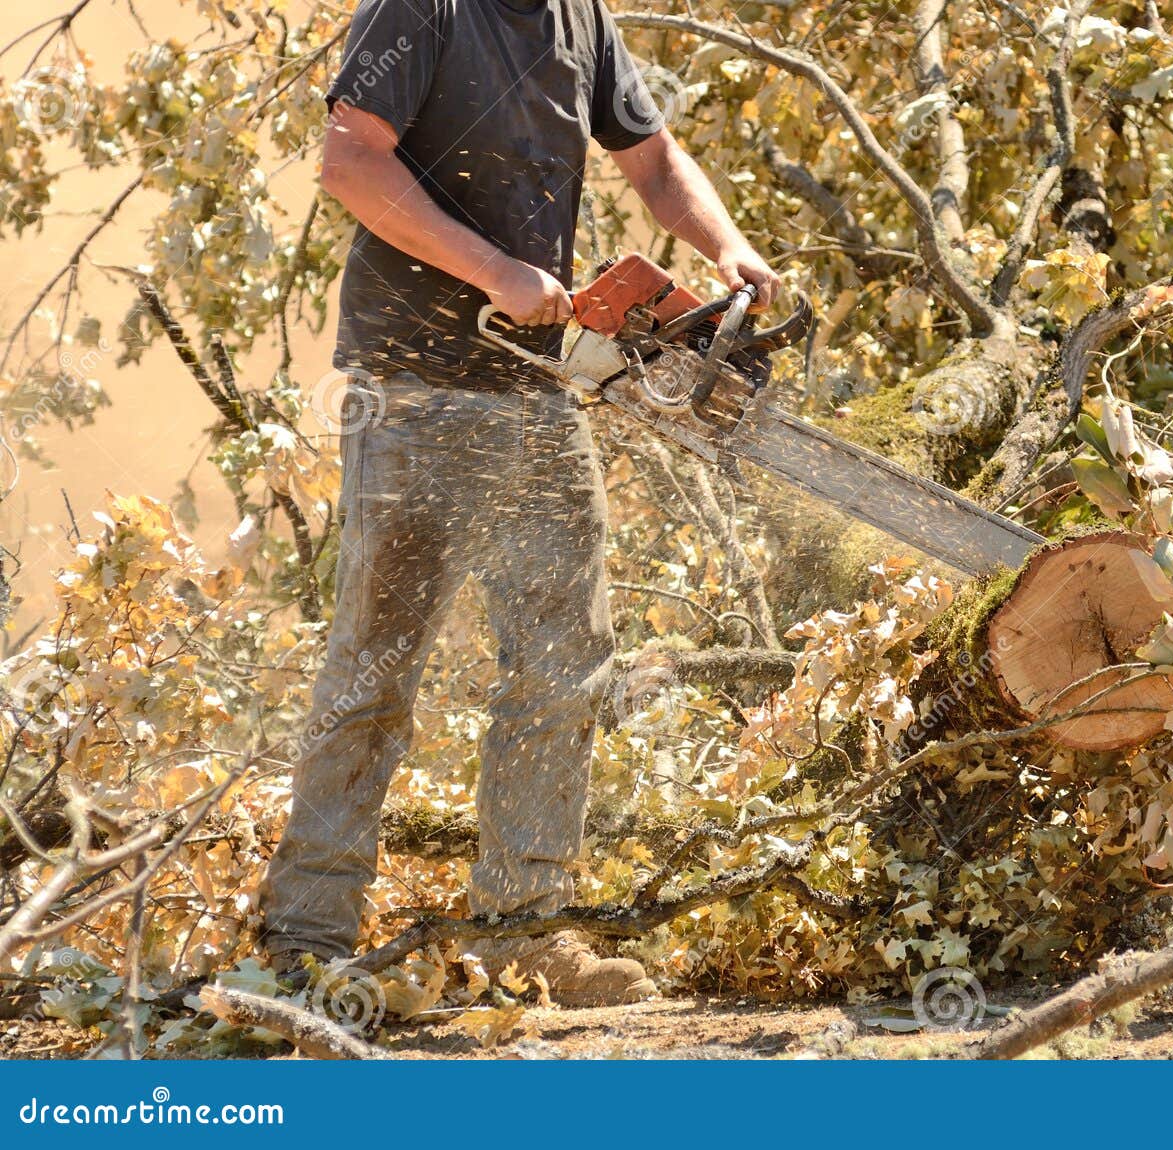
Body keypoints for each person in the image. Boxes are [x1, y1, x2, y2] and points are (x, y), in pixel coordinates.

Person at [259, 0, 779, 1006]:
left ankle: (527, 932)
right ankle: (304, 935)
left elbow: (657, 162)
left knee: (561, 663)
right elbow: (349, 161)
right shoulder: (423, 6)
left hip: (538, 384)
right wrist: (493, 268)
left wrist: (730, 250)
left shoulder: (577, 14)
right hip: (417, 379)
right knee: (376, 665)